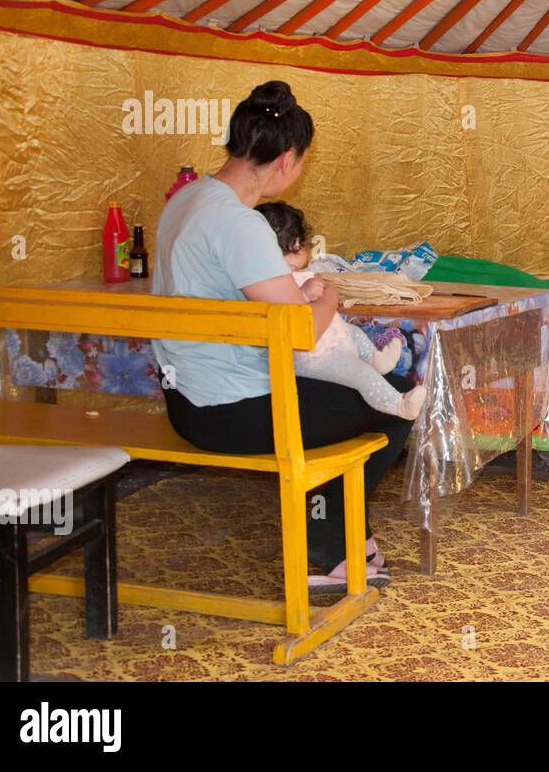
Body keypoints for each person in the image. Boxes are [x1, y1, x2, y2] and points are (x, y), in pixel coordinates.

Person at [152, 80, 412, 594]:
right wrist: (329, 297)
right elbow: (300, 334)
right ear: (288, 159)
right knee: (396, 403)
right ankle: (327, 549)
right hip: (232, 411)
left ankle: (344, 540)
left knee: (367, 394)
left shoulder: (187, 200)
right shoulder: (240, 224)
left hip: (184, 401)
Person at [255, 200, 426, 420]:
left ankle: (375, 358)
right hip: (313, 357)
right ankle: (398, 405)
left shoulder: (278, 275)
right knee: (360, 373)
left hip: (329, 339)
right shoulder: (272, 281)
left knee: (355, 332)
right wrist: (305, 294)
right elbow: (287, 313)